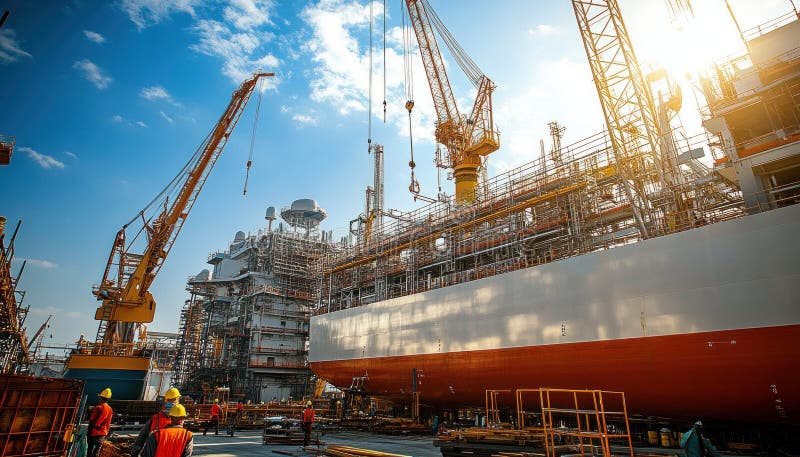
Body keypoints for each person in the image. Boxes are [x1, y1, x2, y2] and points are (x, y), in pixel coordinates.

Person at [131, 387, 181, 457]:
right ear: (177, 400)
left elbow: (142, 437)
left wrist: (135, 454)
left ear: (165, 400)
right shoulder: (179, 421)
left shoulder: (156, 418)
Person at [87, 388, 113, 457]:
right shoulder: (110, 409)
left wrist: (89, 432)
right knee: (96, 452)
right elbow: (109, 422)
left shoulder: (98, 408)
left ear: (101, 398)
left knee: (89, 451)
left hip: (93, 433)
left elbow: (92, 421)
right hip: (102, 433)